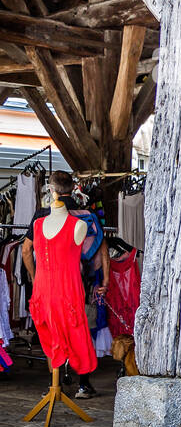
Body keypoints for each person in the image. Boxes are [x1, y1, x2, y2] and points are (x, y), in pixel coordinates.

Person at [22, 170, 105, 399]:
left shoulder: (42, 217)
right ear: (73, 187)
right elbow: (101, 249)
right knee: (77, 330)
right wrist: (102, 278)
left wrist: (33, 275)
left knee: (54, 333)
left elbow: (26, 250)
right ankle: (82, 384)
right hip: (73, 284)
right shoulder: (86, 215)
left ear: (52, 189)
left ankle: (54, 381)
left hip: (48, 287)